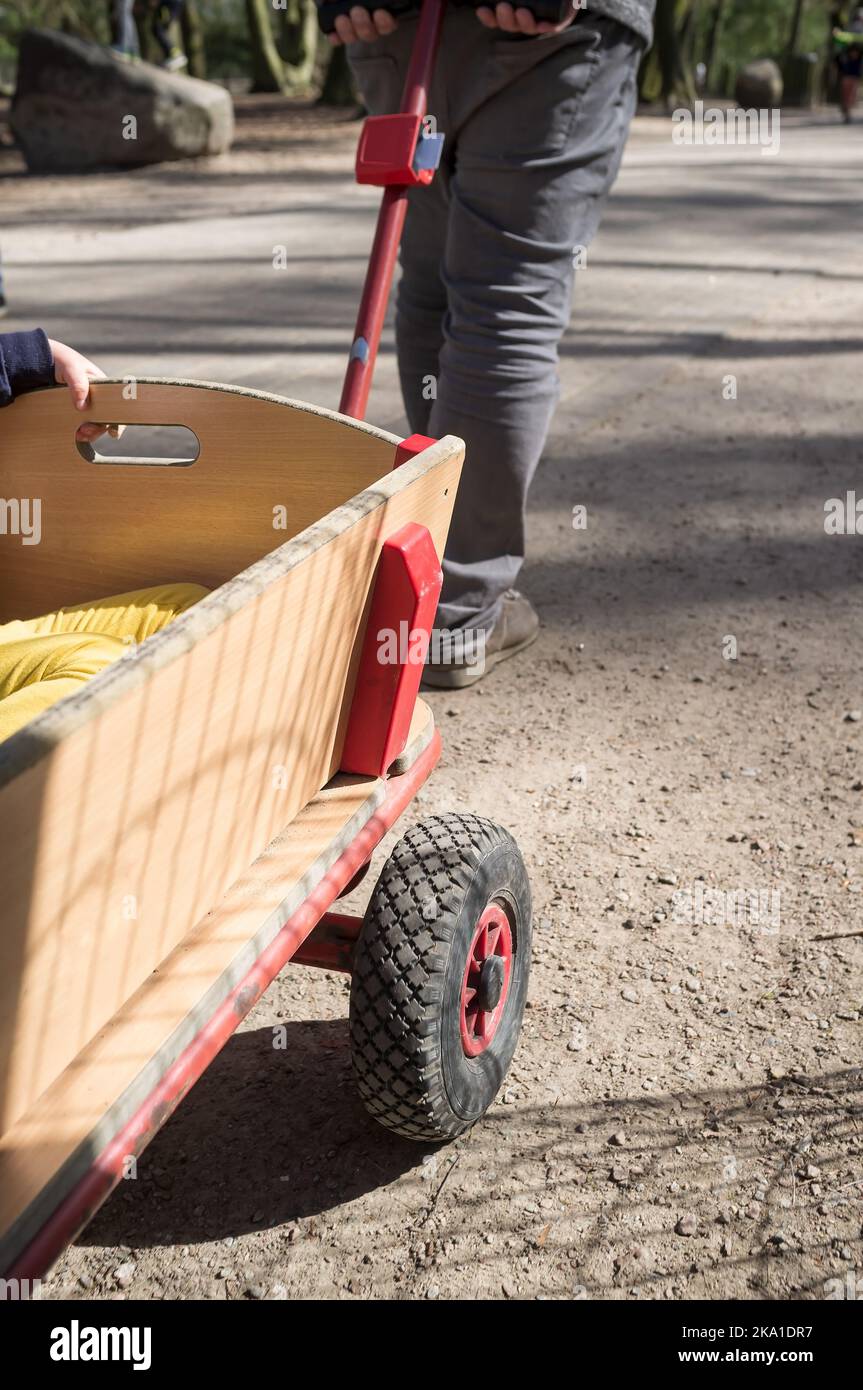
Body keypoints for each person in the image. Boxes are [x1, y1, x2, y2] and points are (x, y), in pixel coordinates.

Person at [330, 1, 656, 687]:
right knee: (501, 304)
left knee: (434, 284)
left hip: (401, 27)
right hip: (549, 34)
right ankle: (454, 611)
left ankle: (436, 570)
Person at [834, 7, 863, 121]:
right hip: (848, 64)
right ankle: (846, 107)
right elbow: (841, 41)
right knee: (847, 87)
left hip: (856, 65)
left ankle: (847, 108)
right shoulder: (852, 28)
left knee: (851, 89)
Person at [151, 0, 189, 70]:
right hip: (175, 3)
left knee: (157, 29)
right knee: (161, 29)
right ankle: (170, 57)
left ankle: (175, 54)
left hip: (170, 2)